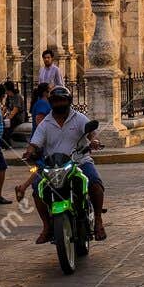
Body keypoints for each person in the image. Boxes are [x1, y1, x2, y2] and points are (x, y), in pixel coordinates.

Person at [24, 85, 105, 244]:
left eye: (62, 100)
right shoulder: (45, 123)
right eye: (55, 101)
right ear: (51, 102)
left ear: (68, 101)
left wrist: (94, 141)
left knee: (95, 183)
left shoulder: (79, 118)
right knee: (37, 188)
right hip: (54, 167)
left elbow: (91, 133)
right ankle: (47, 226)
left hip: (79, 162)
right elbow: (34, 143)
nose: (59, 104)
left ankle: (98, 220)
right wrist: (29, 152)